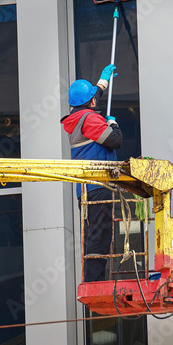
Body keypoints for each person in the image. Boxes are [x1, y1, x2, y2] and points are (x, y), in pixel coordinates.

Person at [61, 64, 121, 282]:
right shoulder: (91, 120)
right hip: (98, 187)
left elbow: (90, 99)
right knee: (99, 237)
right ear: (91, 103)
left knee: (95, 234)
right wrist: (112, 123)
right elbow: (115, 141)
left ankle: (94, 280)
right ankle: (95, 283)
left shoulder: (77, 119)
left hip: (88, 189)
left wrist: (102, 82)